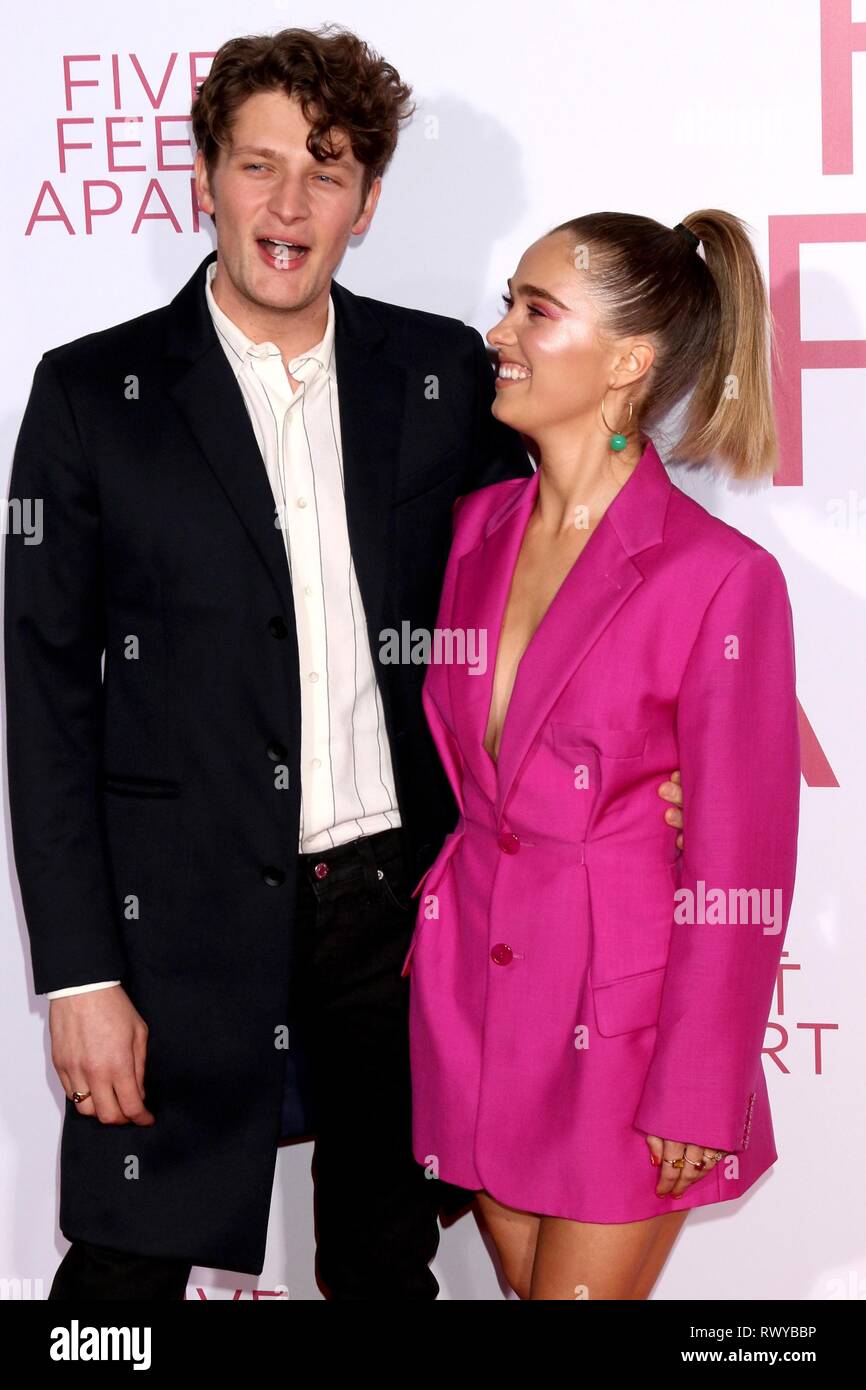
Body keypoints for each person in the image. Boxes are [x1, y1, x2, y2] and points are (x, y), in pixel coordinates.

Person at [5, 28, 685, 1300]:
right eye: (256, 166)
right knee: (120, 1282)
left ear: (368, 201)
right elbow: (42, 703)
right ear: (203, 178)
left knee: (383, 1263)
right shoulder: (95, 394)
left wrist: (668, 757)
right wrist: (81, 973)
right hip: (177, 922)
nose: (288, 204)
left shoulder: (438, 375)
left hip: (403, 910)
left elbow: (572, 572)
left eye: (325, 171)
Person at [403, 211, 801, 1300]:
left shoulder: (716, 577)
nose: (498, 332)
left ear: (627, 362)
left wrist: (700, 1080)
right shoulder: (475, 527)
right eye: (507, 302)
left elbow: (741, 865)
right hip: (472, 1001)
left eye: (535, 310)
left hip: (621, 1026)